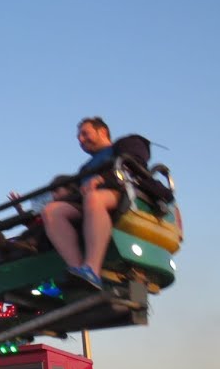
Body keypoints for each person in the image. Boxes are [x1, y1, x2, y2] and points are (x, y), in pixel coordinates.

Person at [40, 117, 151, 289]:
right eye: (79, 138)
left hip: (122, 192)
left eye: (85, 134)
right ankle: (78, 269)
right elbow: (77, 192)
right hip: (87, 201)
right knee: (51, 211)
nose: (81, 140)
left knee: (94, 198)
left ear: (102, 132)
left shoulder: (125, 144)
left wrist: (102, 178)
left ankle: (92, 268)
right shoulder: (85, 169)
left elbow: (135, 163)